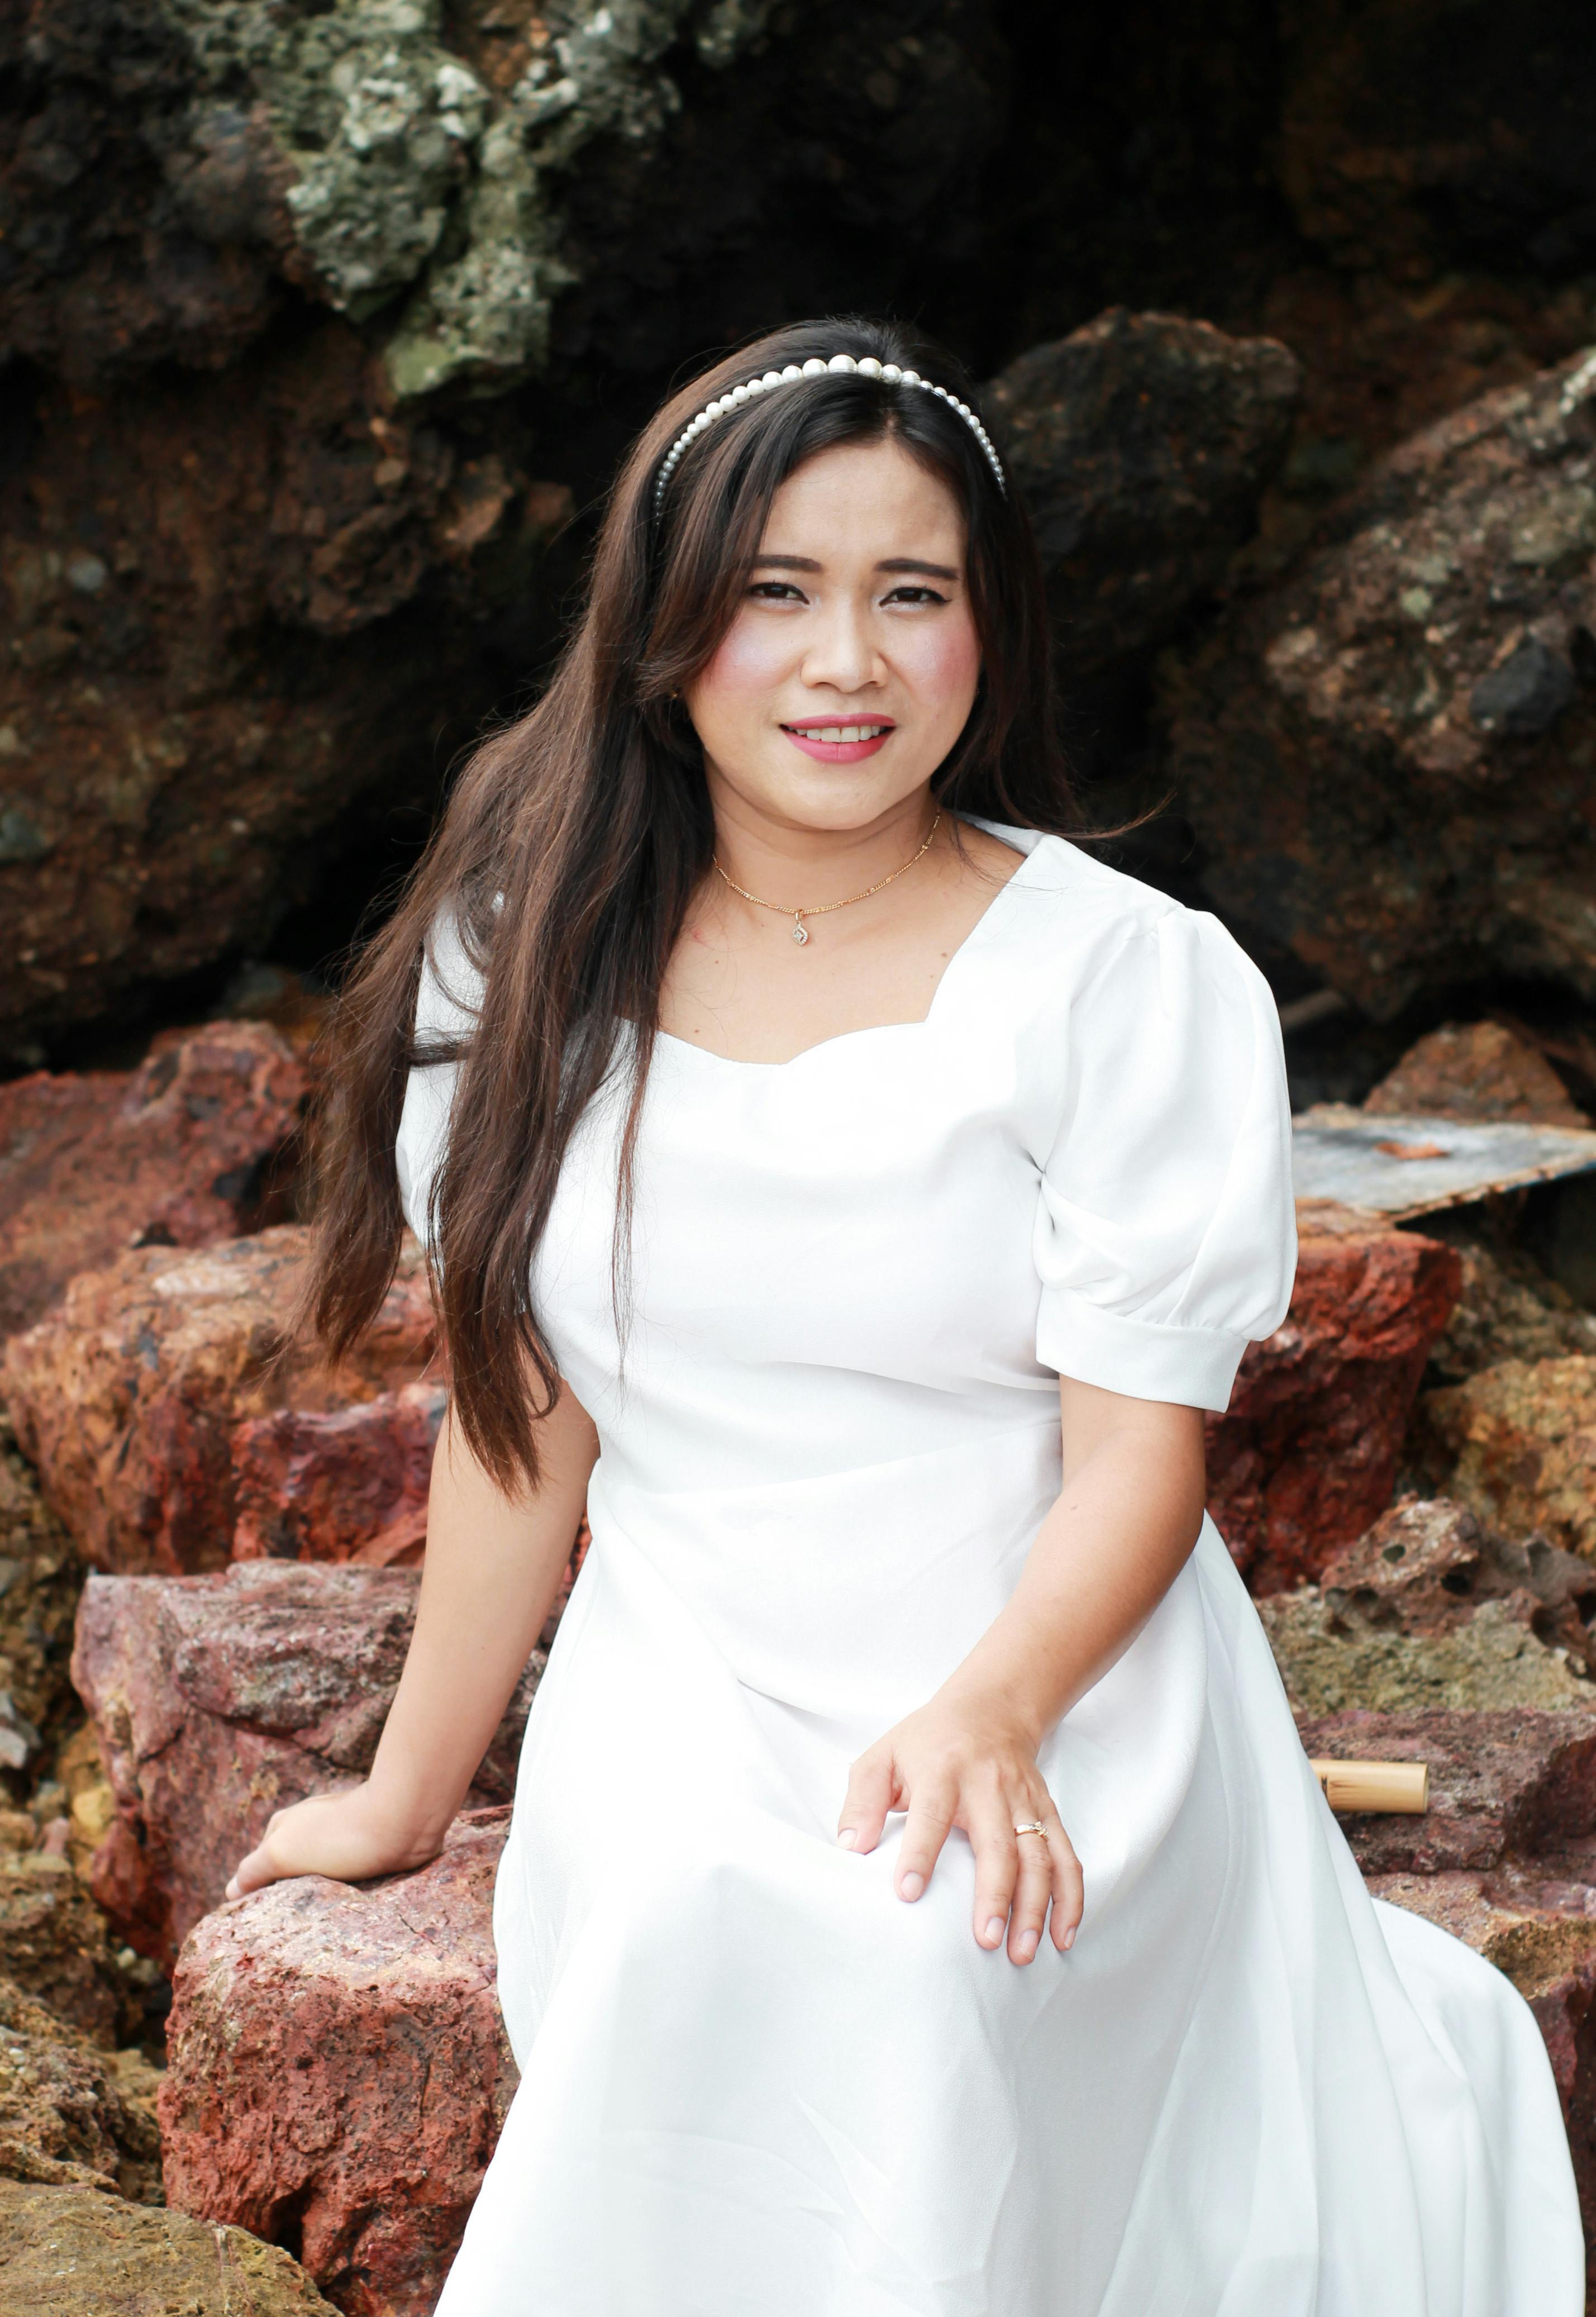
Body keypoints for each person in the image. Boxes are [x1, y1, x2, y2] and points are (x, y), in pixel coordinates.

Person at [227, 317, 1583, 2313]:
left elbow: (1140, 1457)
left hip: (1050, 1664)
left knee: (935, 1952)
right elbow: (527, 1424)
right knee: (706, 1923)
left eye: (907, 593)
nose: (843, 660)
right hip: (694, 1662)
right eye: (774, 592)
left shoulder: (1122, 975)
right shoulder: (521, 957)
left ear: (988, 629)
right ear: (667, 625)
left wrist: (990, 1709)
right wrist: (407, 1793)